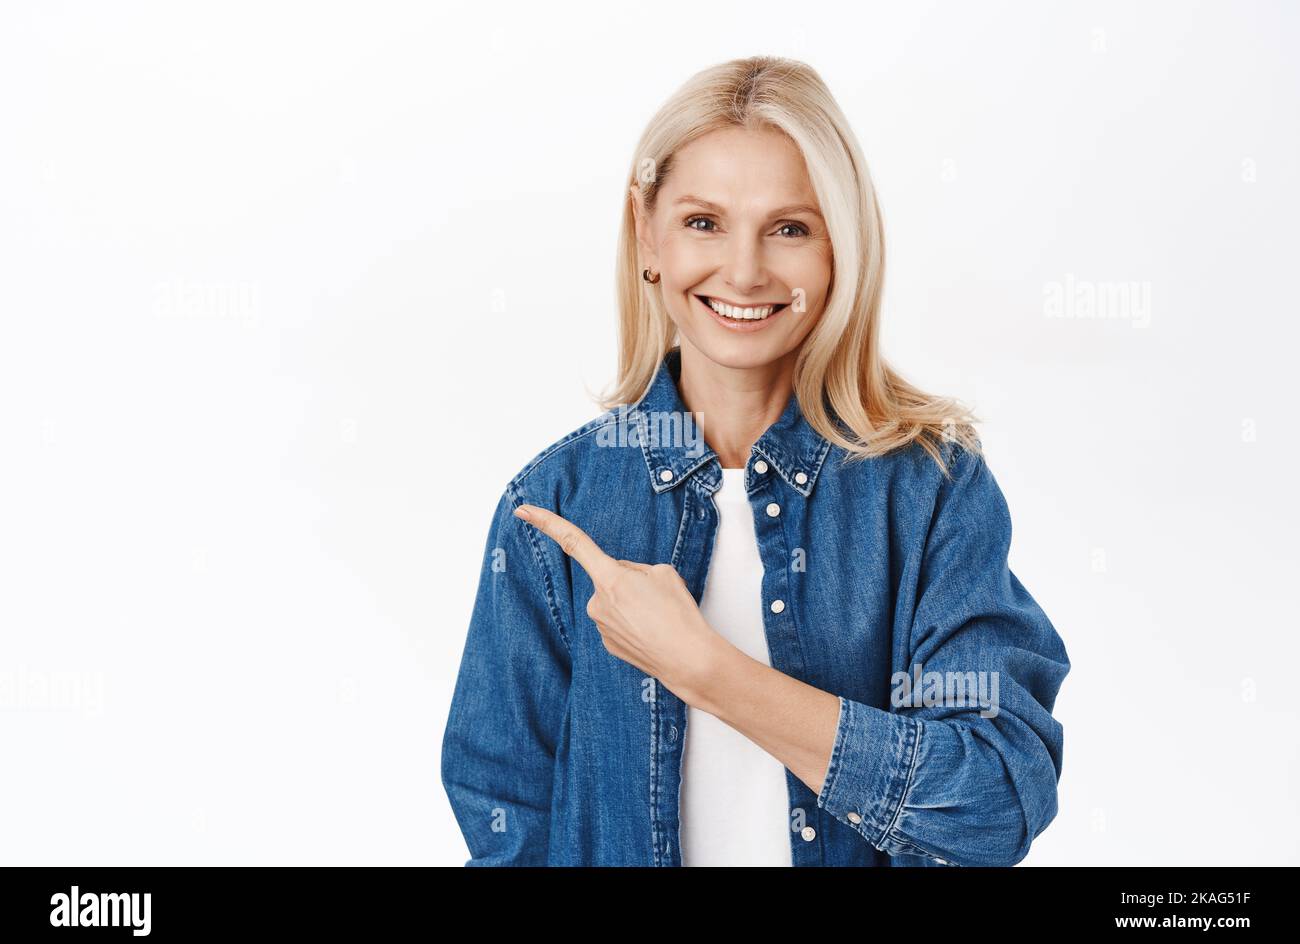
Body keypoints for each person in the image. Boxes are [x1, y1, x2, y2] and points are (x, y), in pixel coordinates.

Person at [440, 55, 1070, 867]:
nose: (743, 271)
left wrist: (708, 671)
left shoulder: (927, 494)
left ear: (841, 249)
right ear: (648, 233)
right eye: (704, 222)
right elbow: (506, 826)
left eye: (790, 228)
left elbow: (992, 804)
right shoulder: (554, 508)